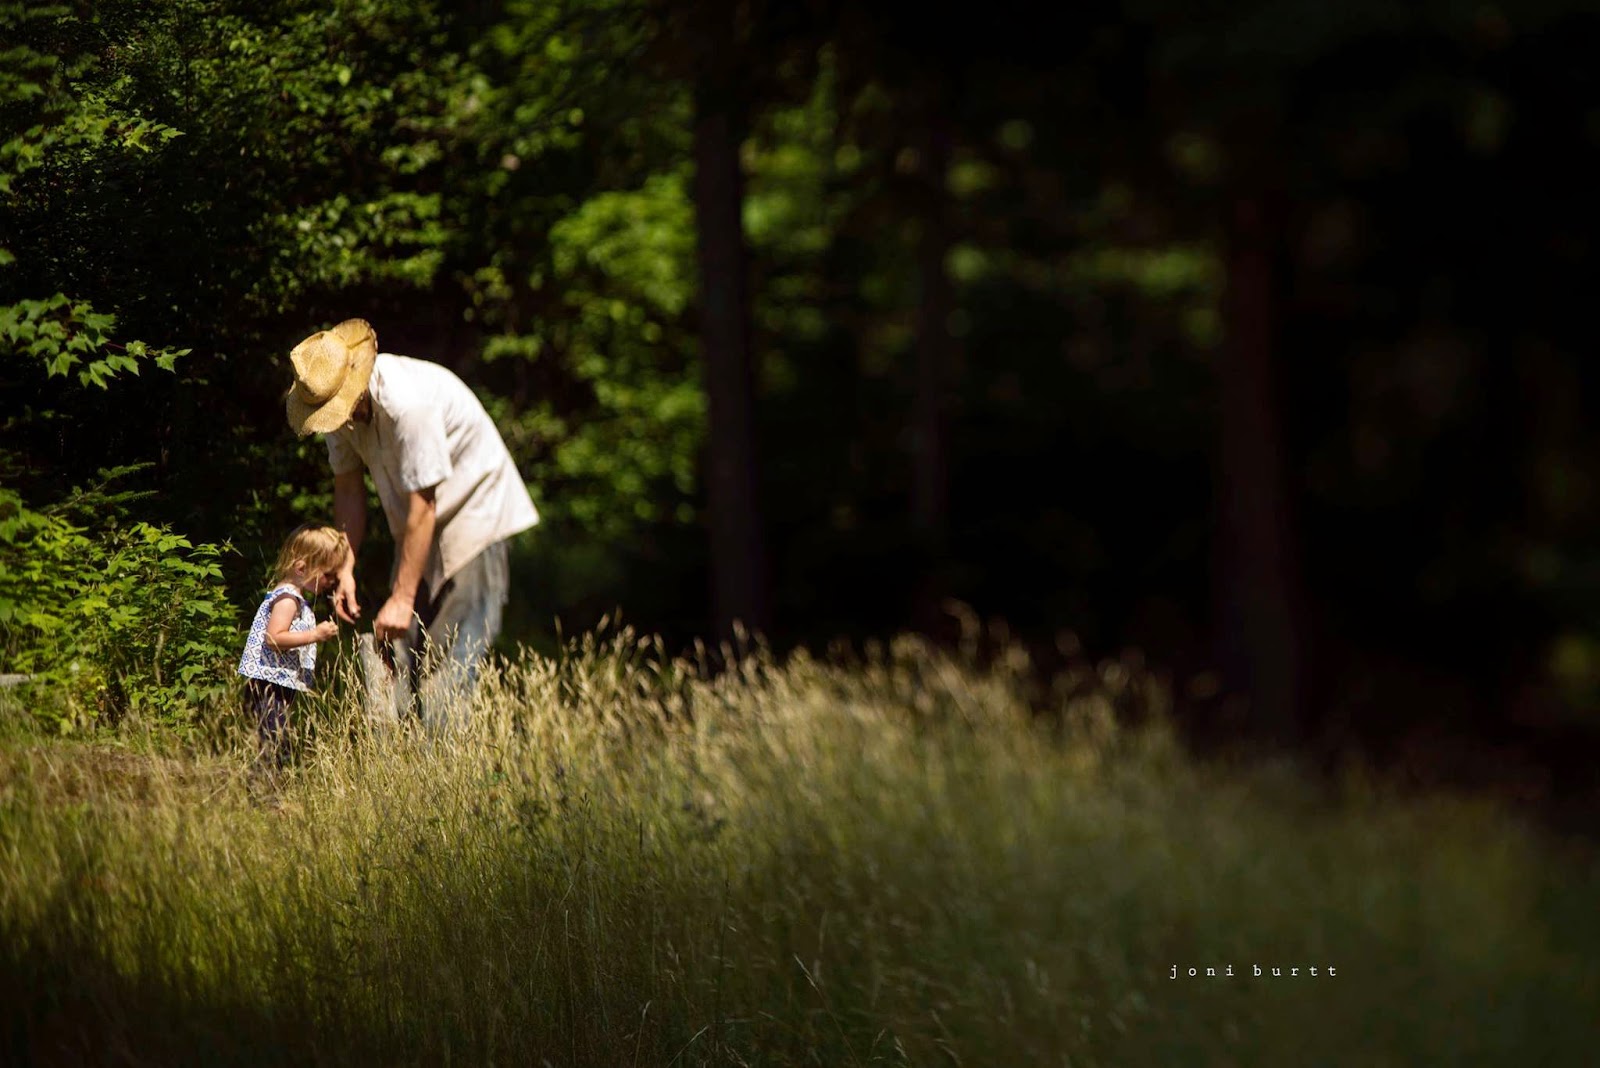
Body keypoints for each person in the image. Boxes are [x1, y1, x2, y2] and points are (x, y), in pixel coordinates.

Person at [284, 318, 539, 730]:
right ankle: (408, 763)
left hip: (474, 514)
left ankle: (448, 772)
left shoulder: (408, 404)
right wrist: (344, 566)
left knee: (450, 654)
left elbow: (424, 505)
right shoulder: (335, 412)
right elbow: (348, 489)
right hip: (420, 525)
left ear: (355, 381)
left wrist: (402, 598)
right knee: (400, 647)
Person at [236, 524, 347, 768]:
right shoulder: (287, 599)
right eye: (327, 575)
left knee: (276, 739)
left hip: (276, 683)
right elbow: (274, 638)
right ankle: (265, 796)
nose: (331, 582)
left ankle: (269, 790)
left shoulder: (295, 597)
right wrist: (315, 634)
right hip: (267, 685)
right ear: (301, 568)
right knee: (273, 741)